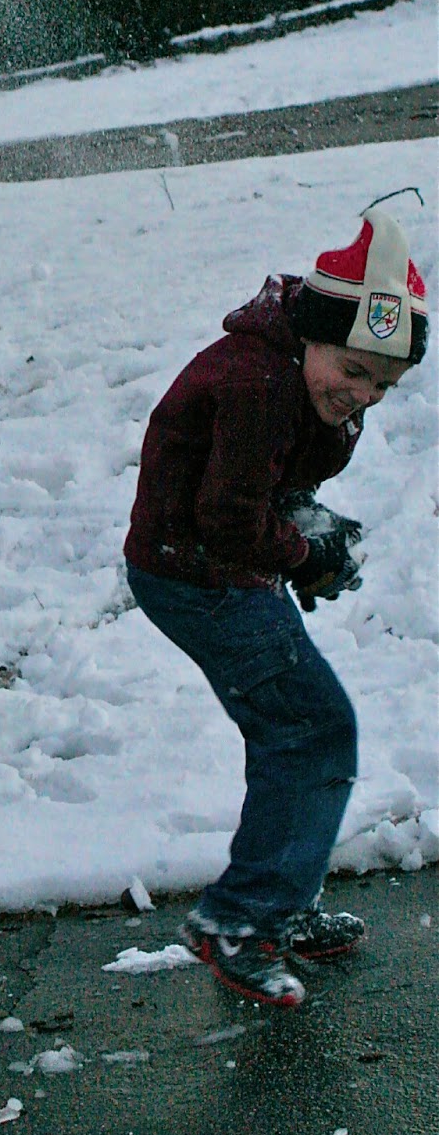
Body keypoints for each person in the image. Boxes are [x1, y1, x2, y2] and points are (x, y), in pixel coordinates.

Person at [124, 208, 428, 1007]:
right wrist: (307, 553)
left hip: (215, 568)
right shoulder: (256, 380)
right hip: (196, 573)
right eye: (354, 370)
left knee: (296, 727)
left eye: (382, 385)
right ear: (315, 335)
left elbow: (270, 488)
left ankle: (277, 901)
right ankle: (241, 919)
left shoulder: (292, 369)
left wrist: (305, 539)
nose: (362, 394)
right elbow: (228, 517)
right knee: (311, 728)